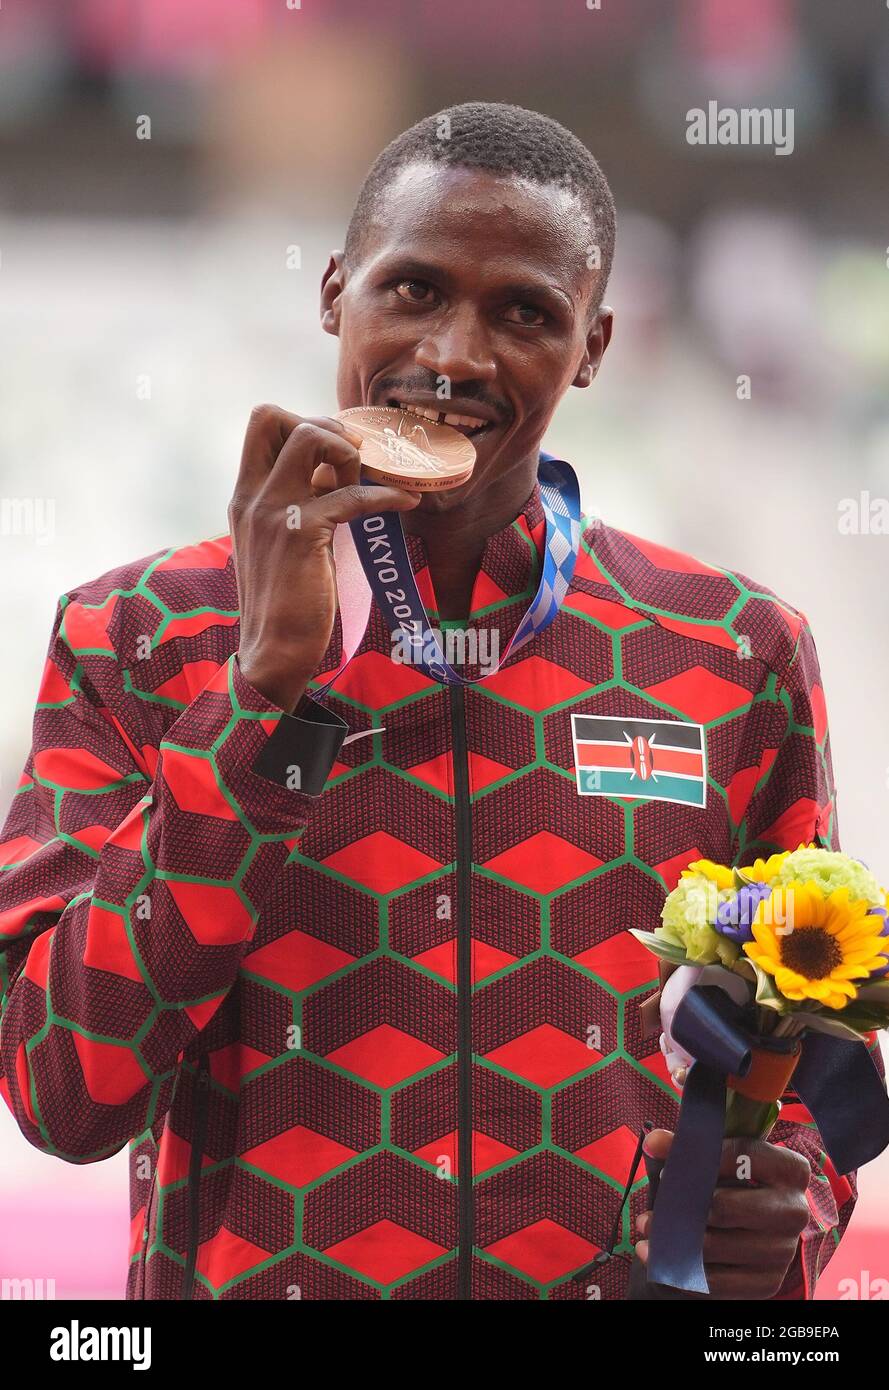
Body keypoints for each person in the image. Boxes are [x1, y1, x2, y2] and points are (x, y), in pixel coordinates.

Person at [0, 102, 869, 1301]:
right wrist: (258, 698)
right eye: (412, 291)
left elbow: (821, 1046)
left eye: (525, 312)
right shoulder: (141, 634)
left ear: (597, 345)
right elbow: (64, 1091)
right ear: (334, 294)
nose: (456, 354)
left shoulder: (731, 649)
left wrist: (798, 1210)